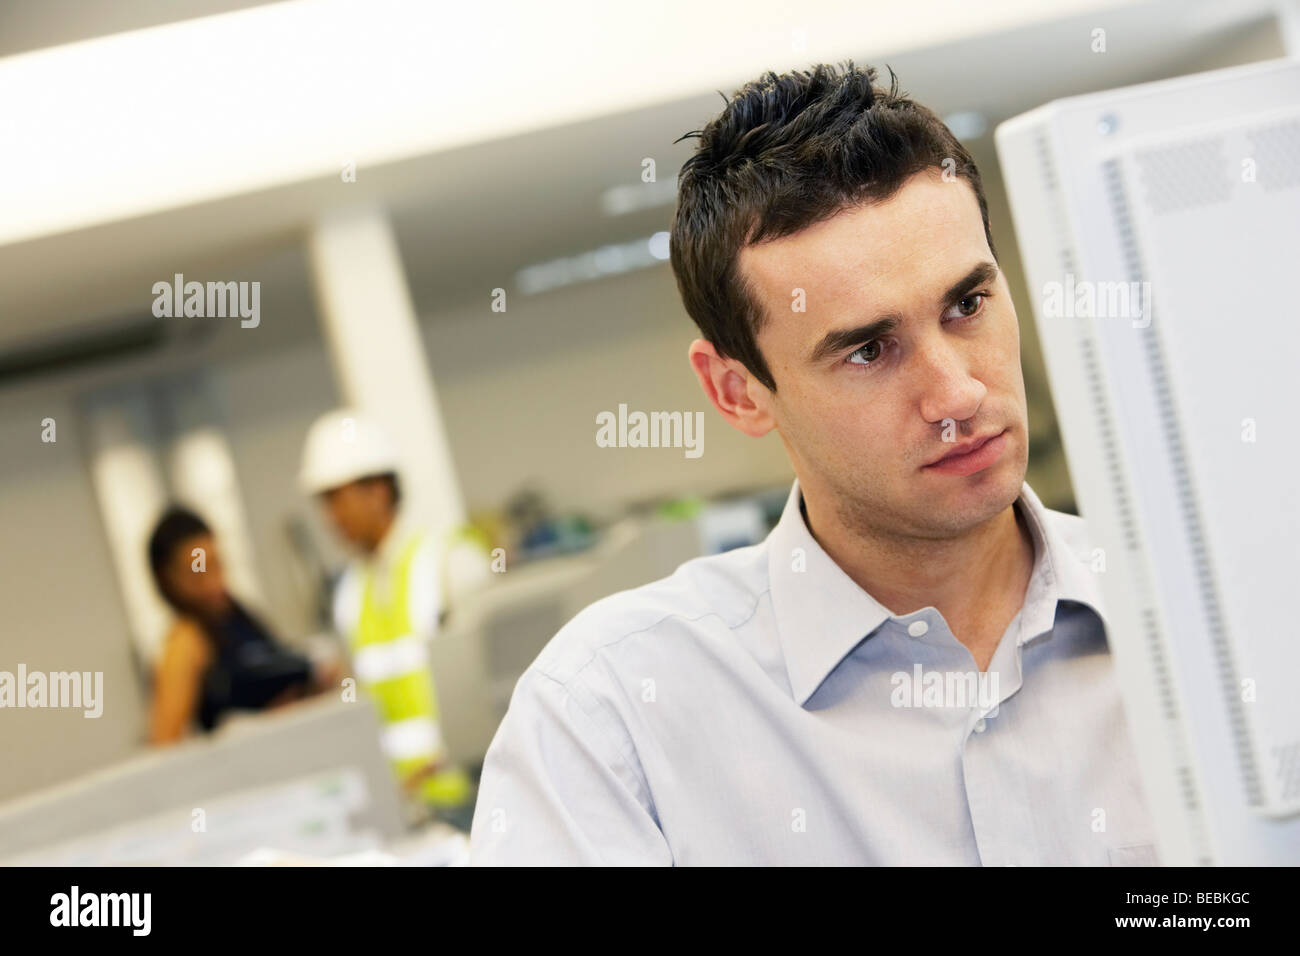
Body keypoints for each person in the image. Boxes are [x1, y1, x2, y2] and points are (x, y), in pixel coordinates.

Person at [469, 62, 1158, 865]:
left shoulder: (1202, 609)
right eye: (869, 350)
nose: (958, 393)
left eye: (967, 305)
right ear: (737, 392)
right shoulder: (610, 712)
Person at [299, 408, 478, 819]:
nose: (330, 518)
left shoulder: (450, 564)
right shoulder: (348, 594)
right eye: (323, 503)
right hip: (408, 811)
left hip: (475, 795)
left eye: (336, 499)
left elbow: (491, 693)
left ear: (378, 490)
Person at [146, 507, 336, 744]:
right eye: (197, 575)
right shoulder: (185, 643)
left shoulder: (239, 615)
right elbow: (164, 743)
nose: (212, 584)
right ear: (169, 580)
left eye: (216, 565)